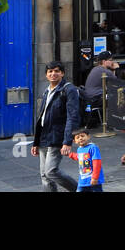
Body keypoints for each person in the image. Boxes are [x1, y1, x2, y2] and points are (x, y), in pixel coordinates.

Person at [31, 60, 81, 192]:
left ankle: (80, 190)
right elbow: (42, 117)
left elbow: (73, 116)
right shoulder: (47, 91)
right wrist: (36, 142)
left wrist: (67, 141)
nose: (53, 74)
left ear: (62, 73)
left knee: (51, 171)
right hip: (43, 137)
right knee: (45, 176)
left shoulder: (68, 90)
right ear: (46, 75)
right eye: (50, 71)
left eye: (57, 71)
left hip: (57, 136)